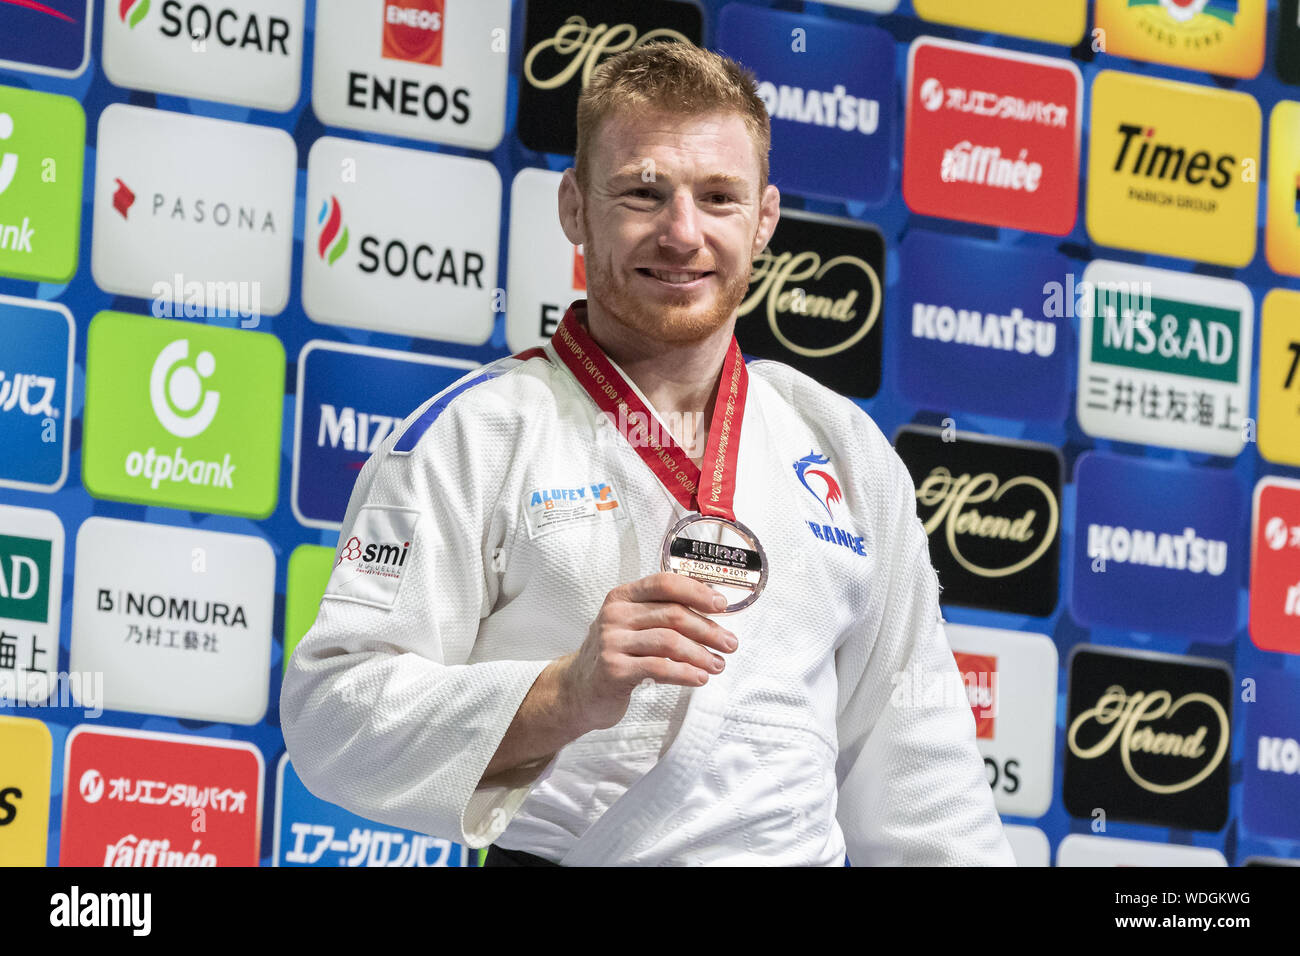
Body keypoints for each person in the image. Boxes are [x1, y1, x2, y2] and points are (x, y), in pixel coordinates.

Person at [280, 42, 1015, 867]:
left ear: (764, 219)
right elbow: (332, 714)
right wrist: (563, 693)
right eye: (642, 191)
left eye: (719, 197)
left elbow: (922, 775)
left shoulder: (841, 447)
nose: (682, 232)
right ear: (574, 208)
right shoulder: (475, 433)